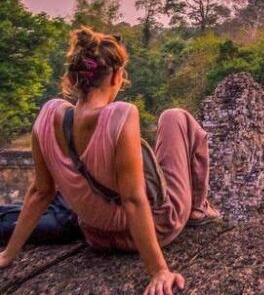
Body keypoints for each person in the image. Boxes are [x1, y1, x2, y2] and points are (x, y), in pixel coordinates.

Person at [0, 27, 218, 295]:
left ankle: (194, 208)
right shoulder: (120, 115)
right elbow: (133, 200)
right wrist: (159, 271)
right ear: (117, 75)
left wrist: (8, 254)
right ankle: (197, 209)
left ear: (71, 78)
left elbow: (39, 192)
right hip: (156, 228)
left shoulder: (47, 116)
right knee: (174, 117)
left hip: (96, 236)